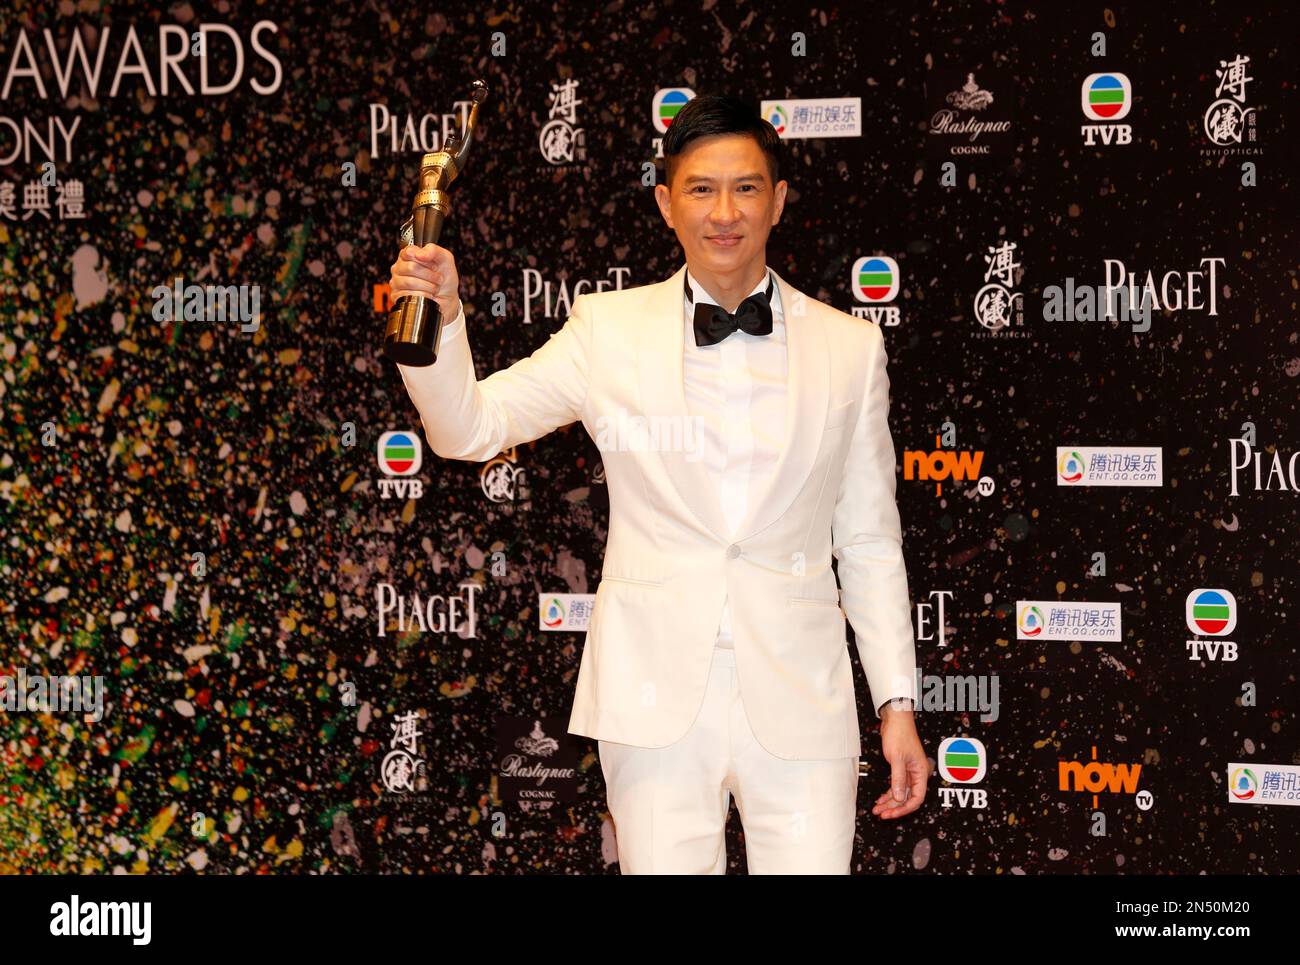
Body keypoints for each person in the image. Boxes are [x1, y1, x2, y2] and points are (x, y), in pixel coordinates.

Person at [390, 93, 927, 874]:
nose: (724, 212)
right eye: (701, 189)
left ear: (777, 201)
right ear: (665, 203)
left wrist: (897, 704)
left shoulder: (852, 347)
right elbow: (470, 427)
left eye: (745, 188)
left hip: (804, 701)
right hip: (652, 703)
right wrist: (442, 316)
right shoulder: (607, 330)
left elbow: (871, 537)